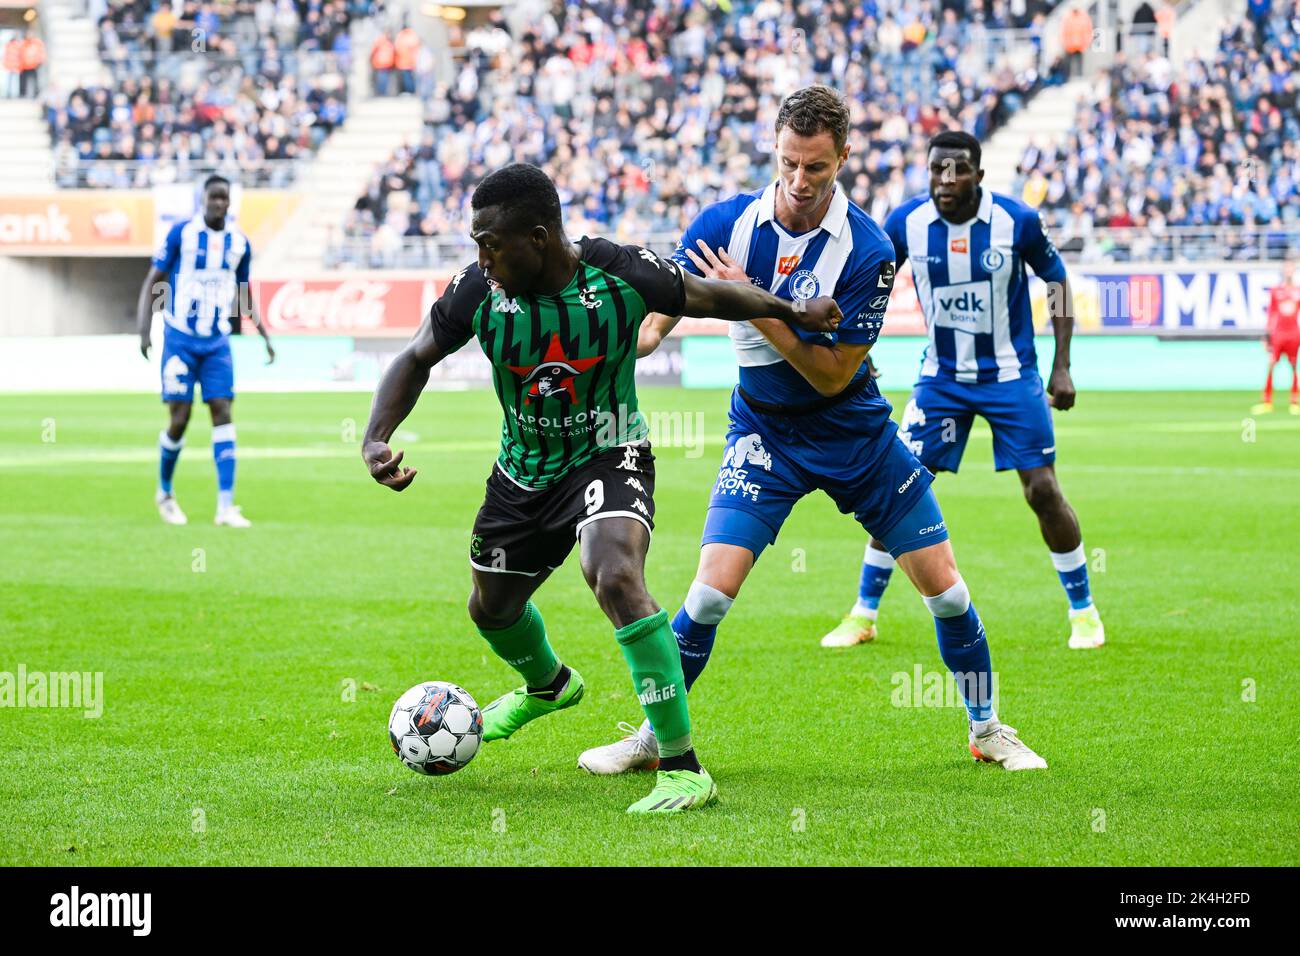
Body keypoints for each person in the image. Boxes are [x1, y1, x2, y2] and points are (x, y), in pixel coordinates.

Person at [579, 88, 1049, 777]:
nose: (800, 182)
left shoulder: (869, 250)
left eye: (818, 169)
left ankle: (986, 728)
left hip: (856, 433)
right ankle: (654, 735)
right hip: (763, 435)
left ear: (844, 159)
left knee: (945, 589)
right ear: (774, 148)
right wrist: (632, 340)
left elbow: (830, 375)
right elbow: (658, 318)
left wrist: (750, 300)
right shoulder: (723, 224)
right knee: (708, 593)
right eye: (790, 164)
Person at [360, 162, 843, 814]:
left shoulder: (620, 272)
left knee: (613, 573)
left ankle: (682, 764)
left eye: (491, 243)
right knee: (491, 609)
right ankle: (548, 685)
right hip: (522, 473)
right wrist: (375, 436)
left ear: (537, 237)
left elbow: (707, 296)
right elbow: (416, 356)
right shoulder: (480, 288)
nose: (481, 256)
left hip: (610, 452)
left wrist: (793, 309)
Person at [822, 130, 1105, 651]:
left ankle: (1084, 611)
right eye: (936, 170)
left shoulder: (1014, 221)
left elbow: (1058, 283)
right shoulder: (906, 223)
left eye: (957, 171)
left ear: (979, 174)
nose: (946, 181)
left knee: (1042, 490)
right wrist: (858, 350)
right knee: (896, 488)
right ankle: (864, 613)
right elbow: (870, 280)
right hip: (942, 381)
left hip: (1011, 377)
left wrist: (1062, 366)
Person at [138, 176, 276, 528]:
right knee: (179, 419)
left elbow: (243, 291)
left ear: (230, 203)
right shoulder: (181, 234)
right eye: (213, 197)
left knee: (223, 410)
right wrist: (144, 329)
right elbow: (154, 280)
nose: (218, 204)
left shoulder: (239, 243)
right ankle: (165, 492)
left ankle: (225, 506)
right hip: (180, 339)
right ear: (203, 199)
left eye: (224, 198)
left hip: (216, 342)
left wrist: (263, 334)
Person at [1253, 260, 1300, 415]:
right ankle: (1267, 401)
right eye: (1286, 268)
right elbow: (1271, 314)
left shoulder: (1298, 290)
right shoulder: (1275, 291)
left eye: (1290, 268)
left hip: (1293, 333)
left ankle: (1295, 401)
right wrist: (1267, 336)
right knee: (1271, 364)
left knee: (1293, 366)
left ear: (1293, 270)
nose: (1288, 271)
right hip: (1278, 334)